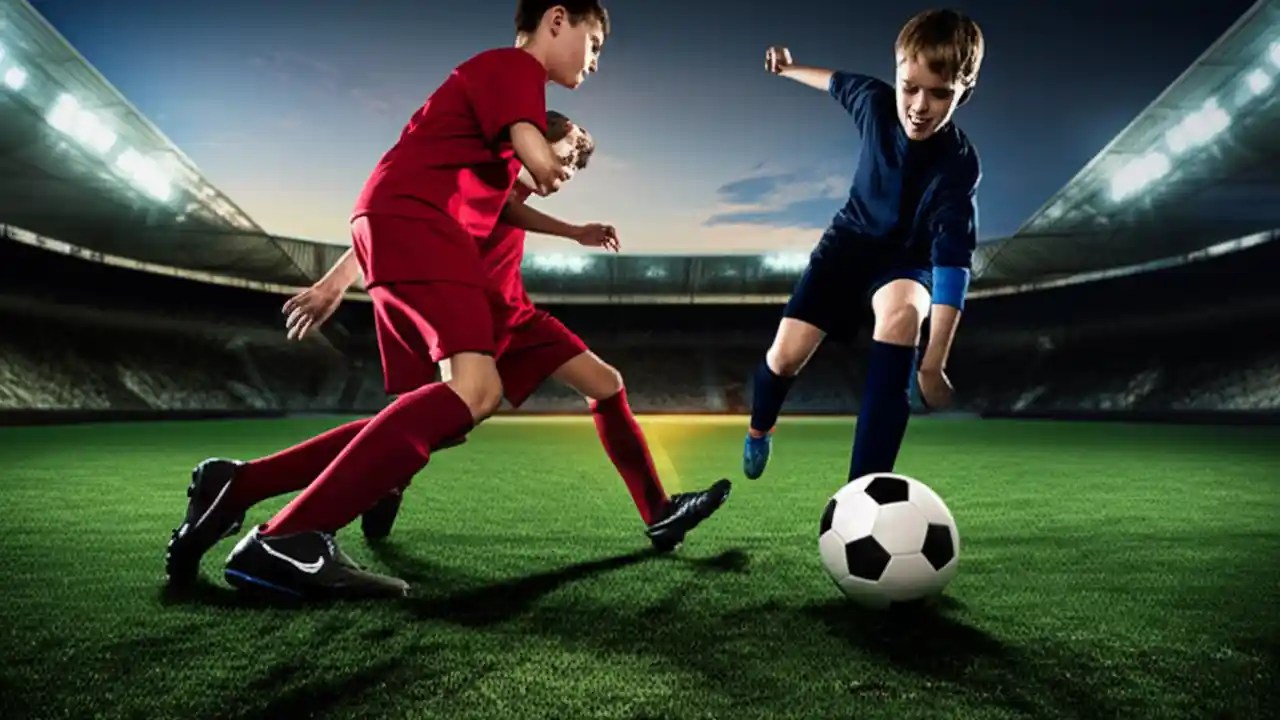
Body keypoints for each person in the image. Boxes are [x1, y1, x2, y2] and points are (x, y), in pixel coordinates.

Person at [165, 2, 728, 601]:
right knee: (471, 395)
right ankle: (291, 534)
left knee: (461, 410)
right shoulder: (515, 71)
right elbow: (524, 166)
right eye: (594, 44)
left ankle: (243, 484)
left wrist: (570, 223)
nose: (596, 61)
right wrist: (553, 160)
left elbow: (472, 193)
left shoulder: (483, 119)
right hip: (427, 240)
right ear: (556, 20)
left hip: (423, 240)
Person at [743, 9, 985, 484]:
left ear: (964, 93)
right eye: (909, 86)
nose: (918, 105)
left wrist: (932, 364)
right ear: (896, 74)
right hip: (847, 246)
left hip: (906, 261)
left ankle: (863, 493)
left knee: (902, 317)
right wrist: (788, 67)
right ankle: (758, 429)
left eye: (939, 94)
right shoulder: (875, 101)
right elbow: (833, 81)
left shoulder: (960, 165)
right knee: (784, 357)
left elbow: (953, 263)